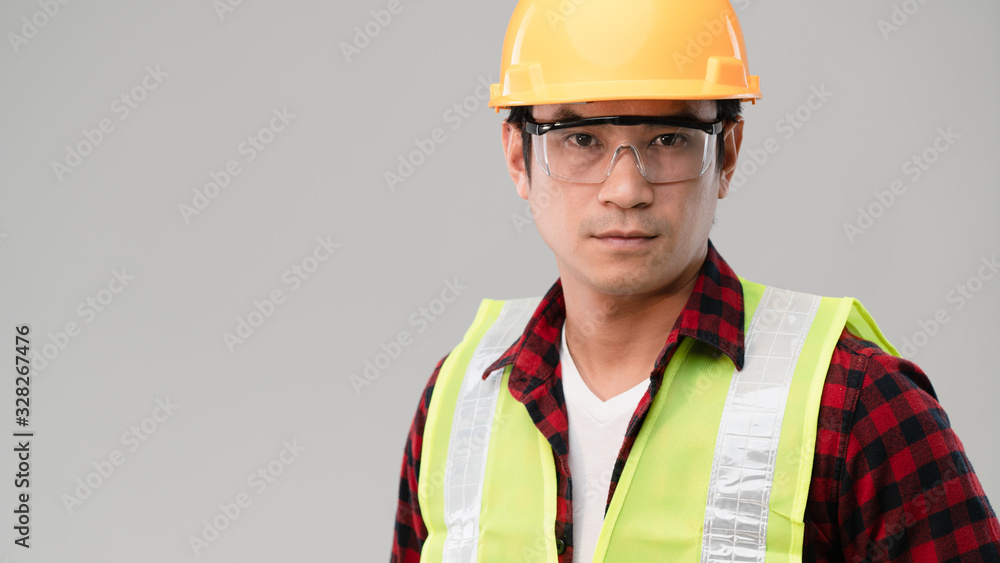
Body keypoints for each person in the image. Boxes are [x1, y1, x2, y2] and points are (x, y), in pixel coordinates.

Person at [391, 1, 1000, 561]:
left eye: (669, 139)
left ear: (727, 154)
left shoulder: (856, 402)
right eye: (580, 139)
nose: (626, 190)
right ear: (519, 157)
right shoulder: (457, 403)